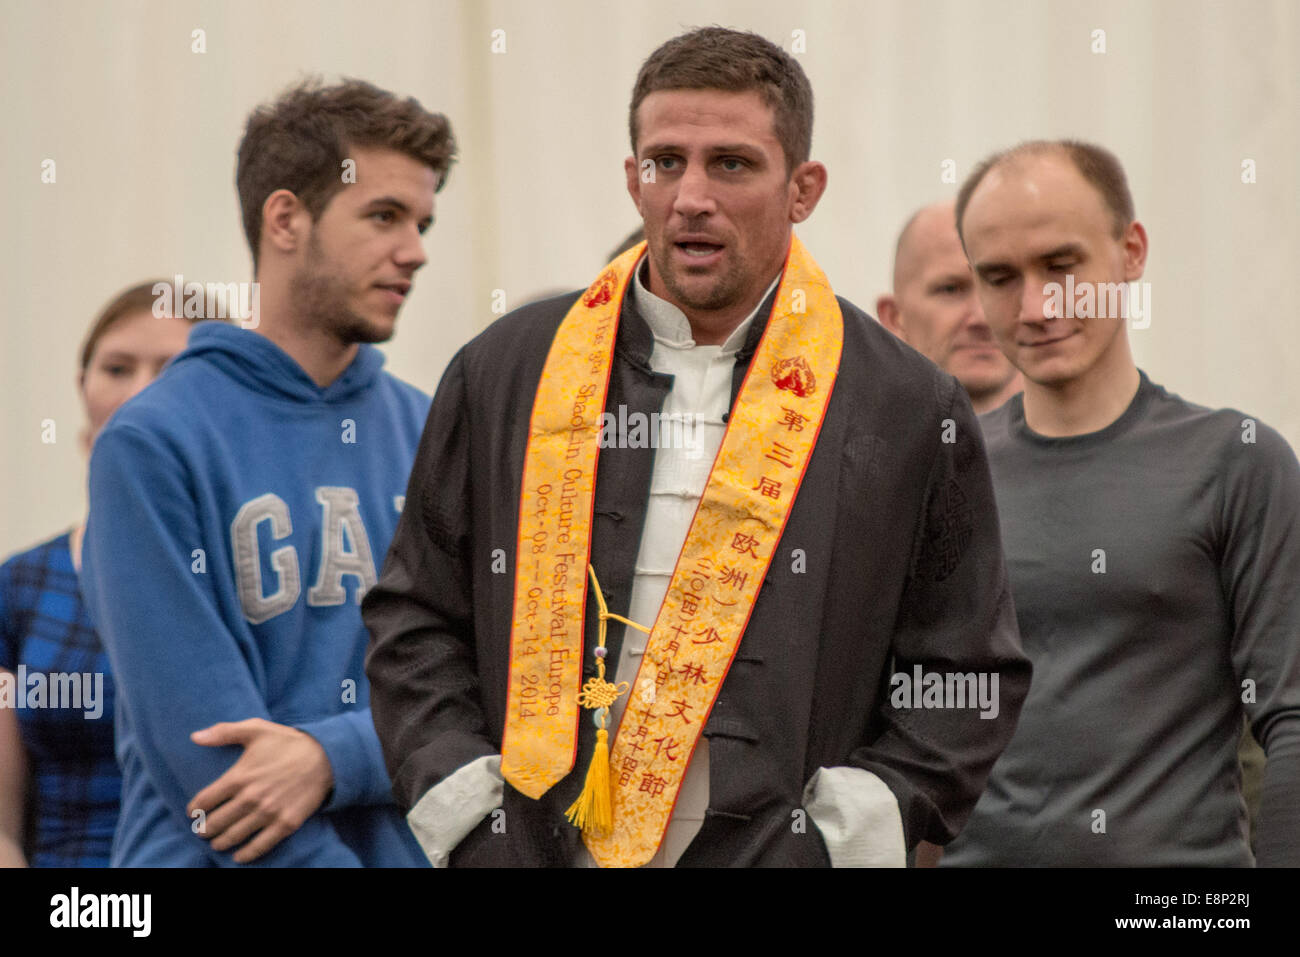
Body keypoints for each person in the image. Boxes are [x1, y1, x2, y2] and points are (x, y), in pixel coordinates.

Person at [363, 26, 1029, 868]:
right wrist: (470, 821)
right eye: (664, 160)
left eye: (733, 164)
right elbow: (416, 615)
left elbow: (965, 675)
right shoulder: (507, 367)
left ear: (803, 188)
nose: (690, 196)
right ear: (631, 177)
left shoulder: (905, 402)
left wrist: (828, 846)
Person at [79, 78, 455, 866]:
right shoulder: (152, 441)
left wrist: (331, 757)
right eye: (383, 215)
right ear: (286, 218)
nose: (415, 249)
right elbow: (212, 758)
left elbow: (481, 698)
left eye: (421, 222)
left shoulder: (433, 429)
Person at [941, 139, 1300, 866]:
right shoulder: (947, 473)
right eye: (1001, 276)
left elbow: (1291, 717)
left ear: (1131, 252)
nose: (1037, 306)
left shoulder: (1235, 461)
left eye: (1062, 265)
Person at [0, 283, 197, 867]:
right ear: (82, 388)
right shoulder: (22, 587)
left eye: (171, 368)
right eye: (116, 368)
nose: (139, 391)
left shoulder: (256, 576)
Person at [876, 200, 1022, 414]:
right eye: (951, 290)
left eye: (998, 285)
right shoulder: (838, 442)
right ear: (895, 318)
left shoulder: (1081, 441)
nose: (982, 318)